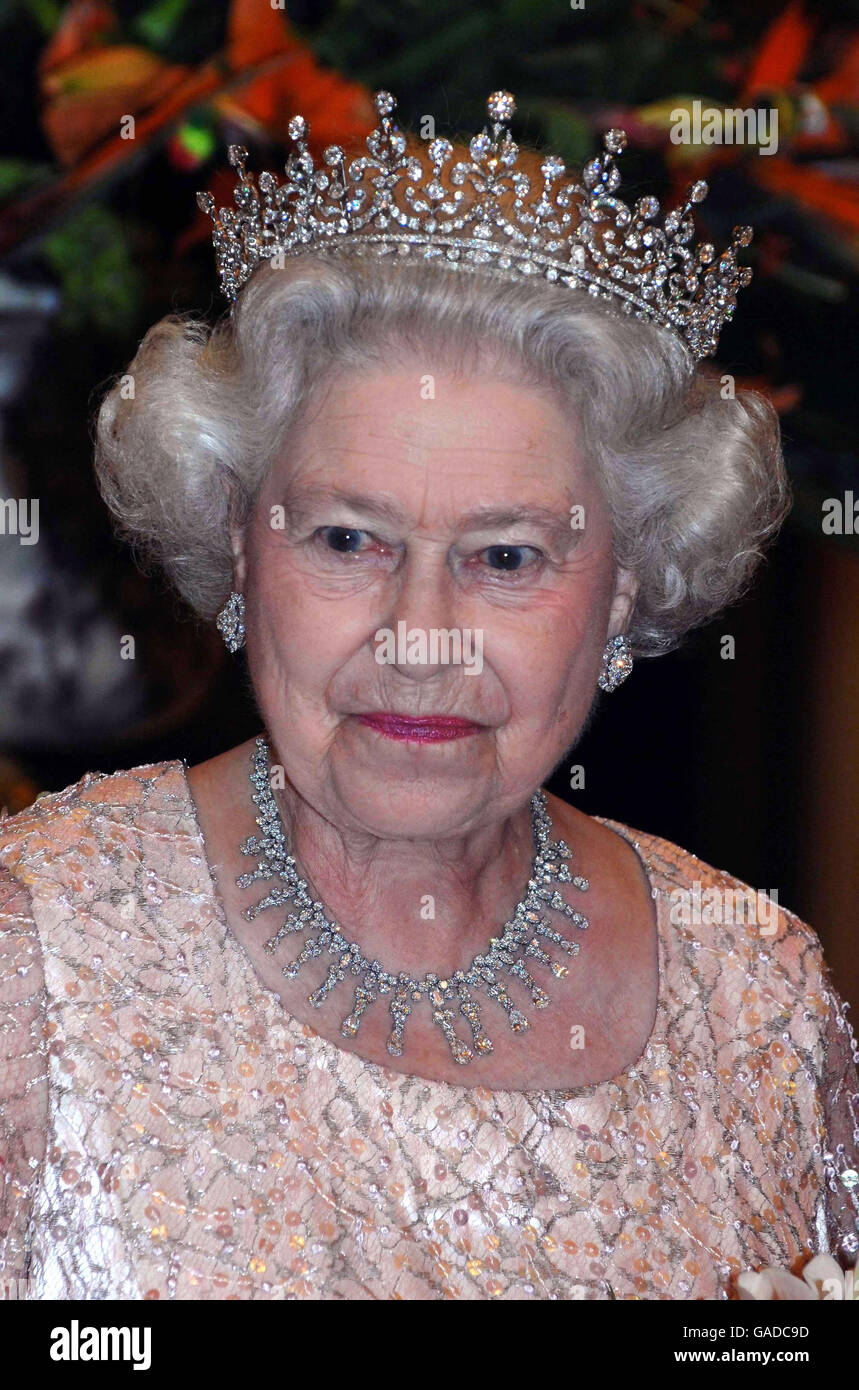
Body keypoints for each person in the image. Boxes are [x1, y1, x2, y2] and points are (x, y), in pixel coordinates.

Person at [1, 91, 856, 1301]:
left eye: (506, 557)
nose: (417, 637)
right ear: (241, 550)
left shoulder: (760, 996)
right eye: (347, 540)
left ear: (625, 587)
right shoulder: (32, 954)